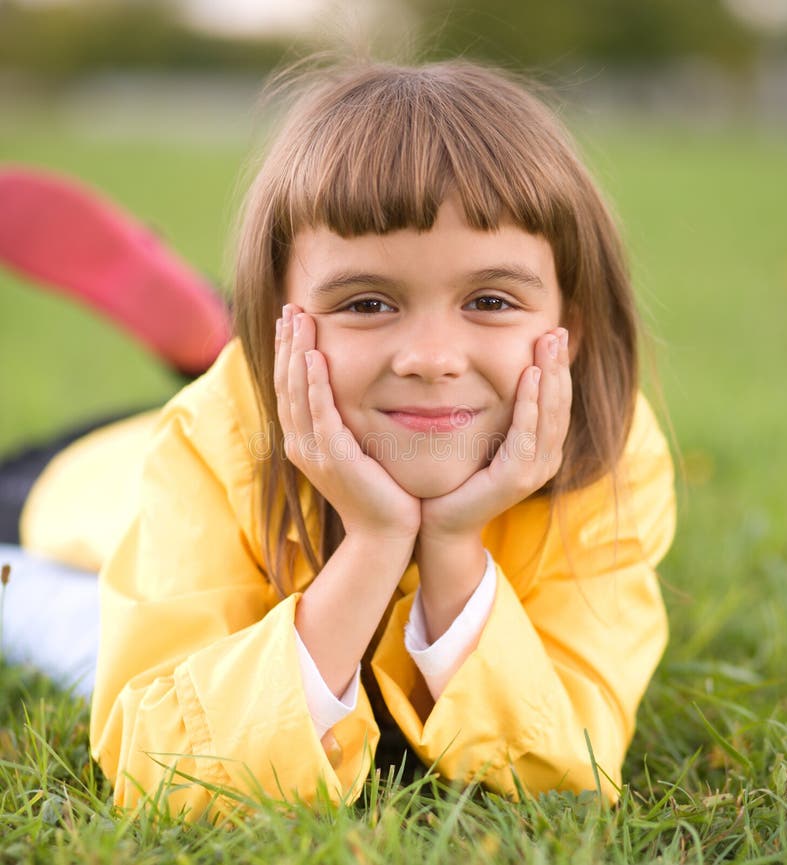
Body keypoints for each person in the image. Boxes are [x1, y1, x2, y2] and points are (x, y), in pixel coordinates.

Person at [10, 57, 679, 821]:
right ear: (281, 324)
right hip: (86, 487)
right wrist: (374, 542)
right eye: (367, 302)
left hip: (338, 408)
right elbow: (163, 765)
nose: (432, 357)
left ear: (572, 327)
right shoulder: (208, 437)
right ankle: (228, 347)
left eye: (490, 300)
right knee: (47, 618)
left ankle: (236, 331)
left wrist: (452, 543)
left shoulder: (611, 450)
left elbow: (573, 762)